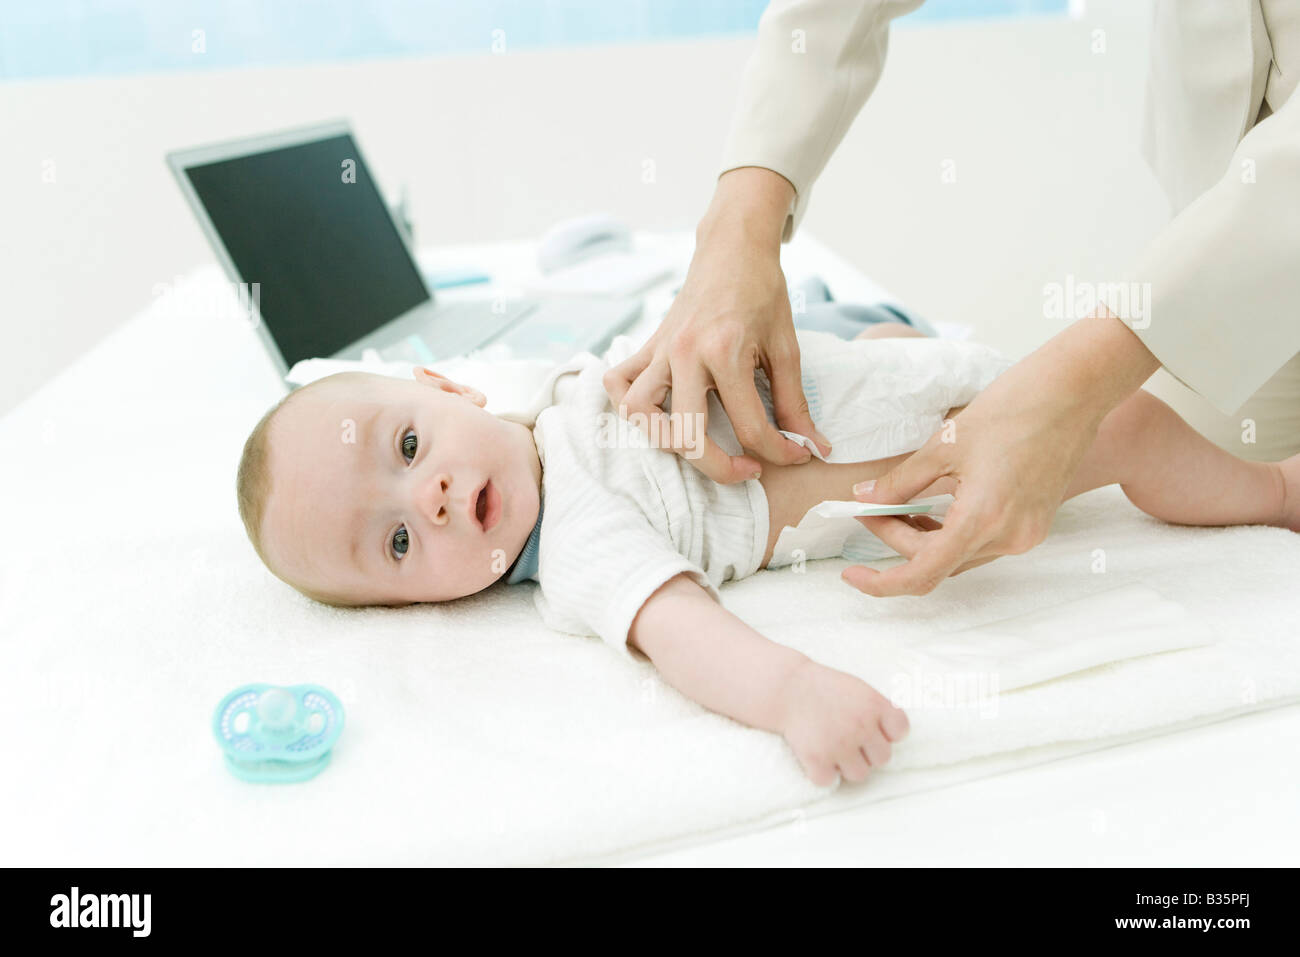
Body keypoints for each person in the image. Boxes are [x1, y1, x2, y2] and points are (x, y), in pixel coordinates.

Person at [233, 324, 1300, 784]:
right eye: (399, 543)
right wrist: (792, 693)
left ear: (451, 390)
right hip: (931, 459)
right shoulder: (580, 544)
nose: (427, 497)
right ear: (416, 607)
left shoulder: (552, 402)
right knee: (1127, 429)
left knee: (958, 365)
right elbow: (682, 631)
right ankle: (1273, 492)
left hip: (874, 384)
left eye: (409, 445)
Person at [603, 0, 1300, 597]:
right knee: (1216, 508)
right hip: (1230, 226)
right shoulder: (562, 422)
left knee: (1153, 448)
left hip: (1255, 217)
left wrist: (1073, 384)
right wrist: (739, 222)